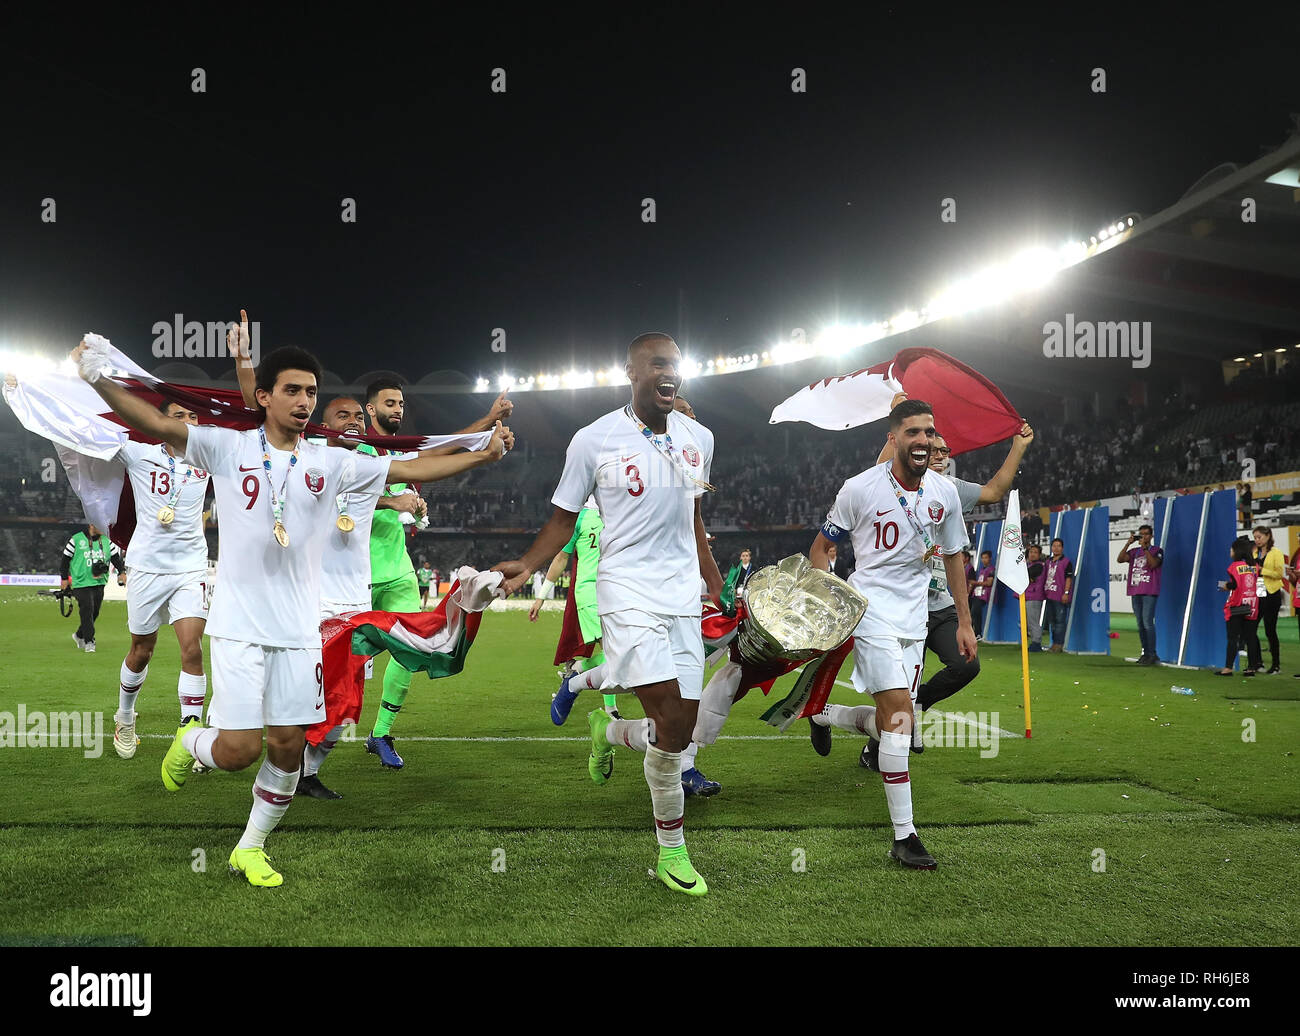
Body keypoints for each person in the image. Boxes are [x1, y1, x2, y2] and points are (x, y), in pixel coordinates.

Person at [75, 335, 508, 887]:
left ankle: (250, 848)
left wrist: (484, 454)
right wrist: (96, 377)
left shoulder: (332, 462)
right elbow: (160, 427)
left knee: (287, 749)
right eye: (293, 391)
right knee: (237, 751)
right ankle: (189, 741)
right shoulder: (226, 448)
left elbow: (412, 471)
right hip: (237, 628)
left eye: (311, 391)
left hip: (301, 633)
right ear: (263, 396)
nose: (304, 401)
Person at [493, 332, 722, 896]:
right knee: (670, 715)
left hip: (682, 595)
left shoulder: (700, 438)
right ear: (632, 372)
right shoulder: (594, 440)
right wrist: (527, 563)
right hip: (626, 592)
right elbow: (562, 517)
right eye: (657, 364)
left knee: (680, 732)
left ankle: (608, 728)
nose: (669, 373)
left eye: (676, 365)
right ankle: (672, 851)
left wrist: (714, 581)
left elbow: (693, 518)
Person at [806, 399, 974, 870]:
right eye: (914, 432)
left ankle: (824, 714)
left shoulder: (945, 493)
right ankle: (905, 836)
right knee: (901, 716)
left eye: (930, 432)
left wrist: (963, 621)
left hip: (915, 617)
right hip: (871, 609)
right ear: (894, 437)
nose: (924, 440)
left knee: (892, 723)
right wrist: (832, 598)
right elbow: (822, 547)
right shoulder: (859, 489)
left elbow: (955, 556)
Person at [354, 377, 512, 768]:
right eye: (389, 403)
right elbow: (339, 495)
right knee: (340, 657)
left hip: (397, 572)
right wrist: (393, 502)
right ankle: (310, 740)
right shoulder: (355, 449)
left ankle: (381, 733)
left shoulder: (403, 453)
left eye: (401, 403)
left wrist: (487, 420)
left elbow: (444, 446)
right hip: (352, 573)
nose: (398, 409)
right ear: (370, 409)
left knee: (413, 649)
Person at [860, 420, 1032, 768]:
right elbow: (878, 472)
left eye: (943, 451)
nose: (938, 455)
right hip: (903, 607)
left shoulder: (951, 489)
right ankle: (875, 748)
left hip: (941, 606)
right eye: (931, 448)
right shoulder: (896, 483)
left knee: (966, 665)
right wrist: (897, 425)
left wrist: (1018, 446)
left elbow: (994, 491)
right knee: (898, 688)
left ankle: (917, 706)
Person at [112, 400, 213, 762]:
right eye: (178, 416)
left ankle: (192, 734)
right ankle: (124, 716)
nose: (187, 422)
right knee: (142, 650)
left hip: (190, 568)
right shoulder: (138, 454)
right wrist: (29, 394)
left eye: (193, 416)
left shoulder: (208, 457)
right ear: (160, 420)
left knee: (193, 649)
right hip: (146, 567)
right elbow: (84, 433)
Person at [529, 494, 622, 724]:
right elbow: (561, 557)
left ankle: (577, 670)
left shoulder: (618, 515)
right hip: (590, 594)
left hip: (615, 593)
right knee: (615, 655)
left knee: (617, 656)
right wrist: (541, 597)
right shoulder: (581, 517)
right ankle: (610, 710)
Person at [60, 523, 125, 653]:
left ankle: (79, 635)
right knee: (87, 609)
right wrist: (64, 579)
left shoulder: (107, 541)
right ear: (92, 524)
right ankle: (89, 641)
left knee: (94, 612)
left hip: (99, 582)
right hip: (81, 582)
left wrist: (122, 572)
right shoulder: (76, 540)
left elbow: (116, 559)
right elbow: (65, 560)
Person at [1118, 524, 1163, 665]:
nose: (1143, 536)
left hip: (1149, 591)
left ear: (1151, 536)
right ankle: (1145, 652)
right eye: (1141, 534)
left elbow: (1154, 564)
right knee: (1140, 624)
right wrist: (1128, 543)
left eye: (1146, 534)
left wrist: (1145, 548)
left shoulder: (1157, 550)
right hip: (1136, 590)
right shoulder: (1134, 552)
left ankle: (1152, 654)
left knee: (1147, 623)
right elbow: (1120, 559)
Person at [1217, 537, 1261, 676]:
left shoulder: (1234, 566)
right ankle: (1251, 668)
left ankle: (1228, 668)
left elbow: (1235, 585)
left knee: (1232, 637)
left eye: (1231, 549)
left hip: (1237, 605)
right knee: (1250, 637)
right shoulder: (1255, 566)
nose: (1230, 552)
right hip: (1252, 604)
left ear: (1237, 551)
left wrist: (1224, 585)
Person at [1252, 527, 1284, 674]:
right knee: (1251, 628)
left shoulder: (1276, 553)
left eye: (1259, 537)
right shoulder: (1254, 553)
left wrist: (1262, 571)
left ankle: (1276, 664)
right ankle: (1257, 662)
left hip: (1272, 593)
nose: (1257, 540)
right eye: (1255, 538)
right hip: (1259, 592)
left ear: (1267, 536)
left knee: (1270, 630)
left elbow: (1279, 574)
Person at [1042, 537, 1074, 652]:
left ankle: (1059, 644)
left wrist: (1066, 593)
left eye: (1058, 546)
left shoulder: (1066, 562)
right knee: (1052, 621)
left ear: (1062, 548)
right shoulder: (1048, 562)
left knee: (1060, 621)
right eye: (1054, 546)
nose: (1056, 548)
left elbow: (1068, 579)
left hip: (1060, 596)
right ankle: (1054, 643)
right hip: (1049, 594)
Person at [1024, 544, 1048, 651]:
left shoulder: (1039, 566)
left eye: (1035, 552)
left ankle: (1036, 643)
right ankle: (1034, 641)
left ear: (1039, 554)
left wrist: (1028, 578)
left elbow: (1026, 575)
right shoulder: (1030, 565)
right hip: (1029, 595)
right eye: (1031, 552)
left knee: (1033, 621)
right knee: (1030, 621)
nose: (1032, 554)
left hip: (1034, 596)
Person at [969, 549, 994, 640]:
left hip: (983, 595)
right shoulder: (981, 569)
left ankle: (978, 633)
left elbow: (989, 583)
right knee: (973, 614)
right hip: (976, 594)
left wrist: (975, 583)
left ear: (990, 558)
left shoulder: (991, 570)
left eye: (986, 558)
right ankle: (974, 633)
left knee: (975, 613)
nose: (984, 560)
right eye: (982, 558)